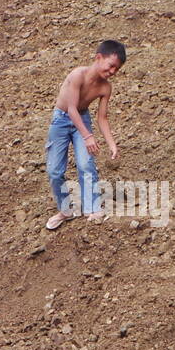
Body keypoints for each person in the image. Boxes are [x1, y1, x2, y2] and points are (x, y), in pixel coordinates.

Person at [44, 40, 125, 230]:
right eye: (111, 65)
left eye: (117, 69)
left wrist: (112, 144)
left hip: (82, 118)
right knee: (55, 171)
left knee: (86, 165)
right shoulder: (77, 75)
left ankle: (93, 209)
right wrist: (88, 136)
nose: (113, 71)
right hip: (61, 120)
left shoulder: (106, 88)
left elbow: (102, 117)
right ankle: (66, 210)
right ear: (99, 58)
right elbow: (71, 108)